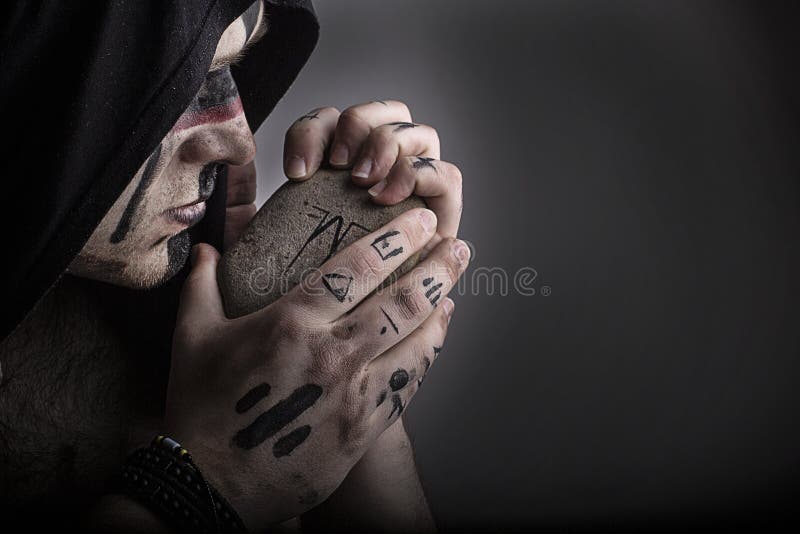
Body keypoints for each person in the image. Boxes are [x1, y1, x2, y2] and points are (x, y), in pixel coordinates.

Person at [0, 1, 467, 531]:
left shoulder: (162, 306)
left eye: (224, 68)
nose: (238, 140)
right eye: (172, 81)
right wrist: (210, 481)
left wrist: (344, 372)